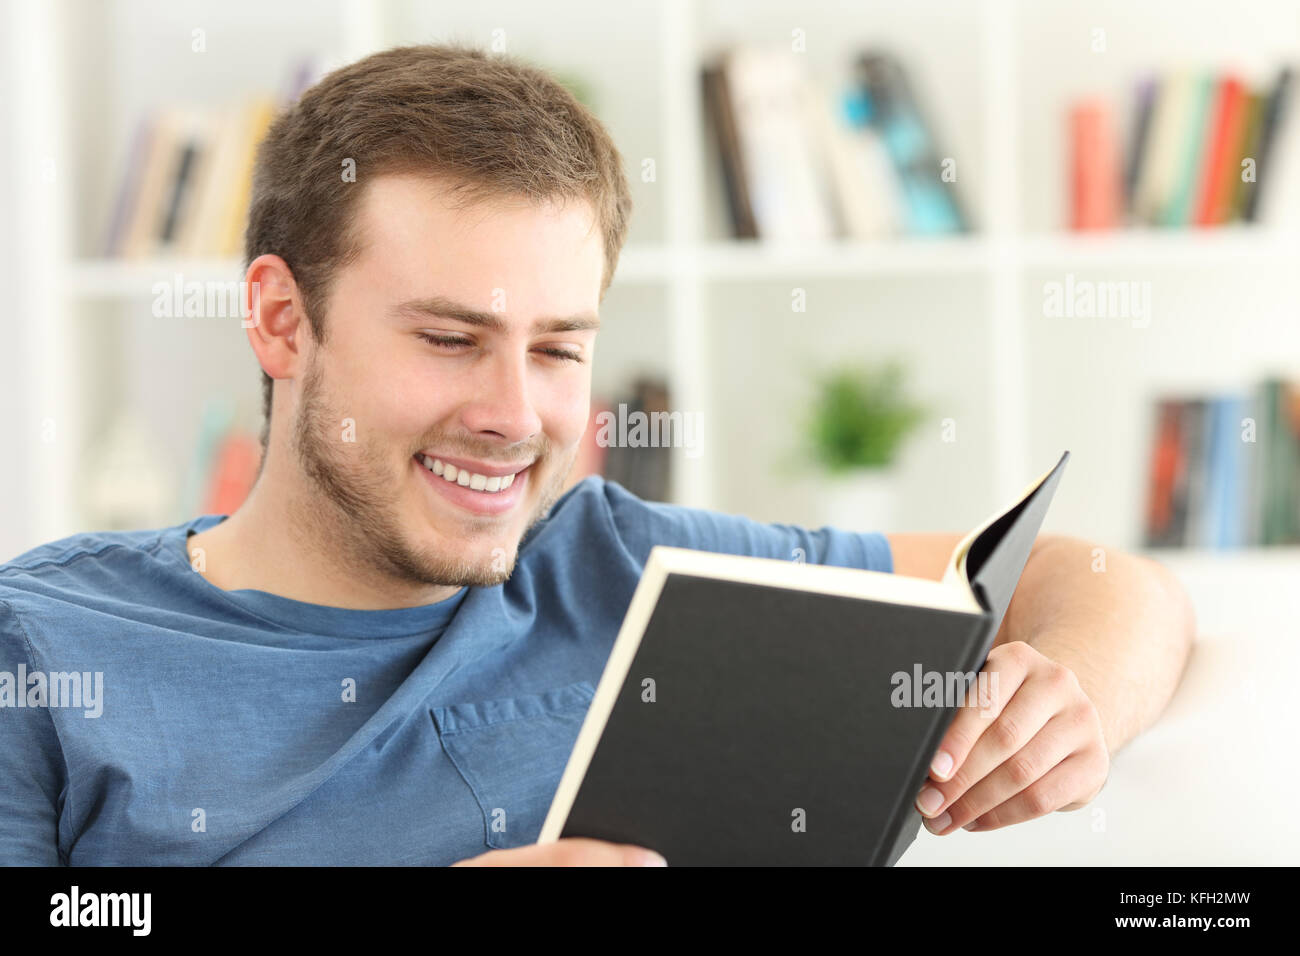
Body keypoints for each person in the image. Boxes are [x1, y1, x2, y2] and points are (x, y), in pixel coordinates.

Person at [0, 43, 1194, 866]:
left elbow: (1095, 580)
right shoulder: (50, 648)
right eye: (450, 337)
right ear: (279, 319)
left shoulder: (616, 560)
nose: (514, 414)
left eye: (558, 348)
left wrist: (1075, 690)